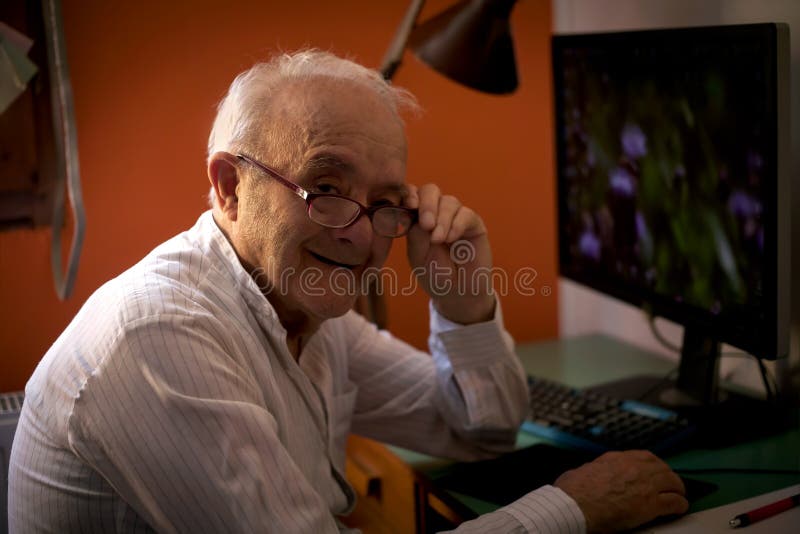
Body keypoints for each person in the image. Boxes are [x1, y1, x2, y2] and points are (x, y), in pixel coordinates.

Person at [8, 50, 687, 533]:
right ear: (230, 187)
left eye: (387, 202)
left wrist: (462, 304)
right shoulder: (159, 335)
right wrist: (573, 510)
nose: (363, 237)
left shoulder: (307, 310)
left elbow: (481, 431)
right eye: (325, 188)